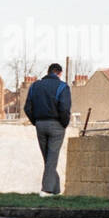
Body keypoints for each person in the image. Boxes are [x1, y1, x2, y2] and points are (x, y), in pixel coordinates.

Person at [23, 63, 71, 196]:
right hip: (56, 124)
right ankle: (46, 190)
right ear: (59, 73)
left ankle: (56, 191)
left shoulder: (35, 86)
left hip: (40, 124)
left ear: (48, 71)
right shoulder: (62, 87)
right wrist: (64, 124)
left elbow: (27, 108)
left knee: (48, 158)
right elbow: (65, 109)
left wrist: (35, 121)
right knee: (52, 158)